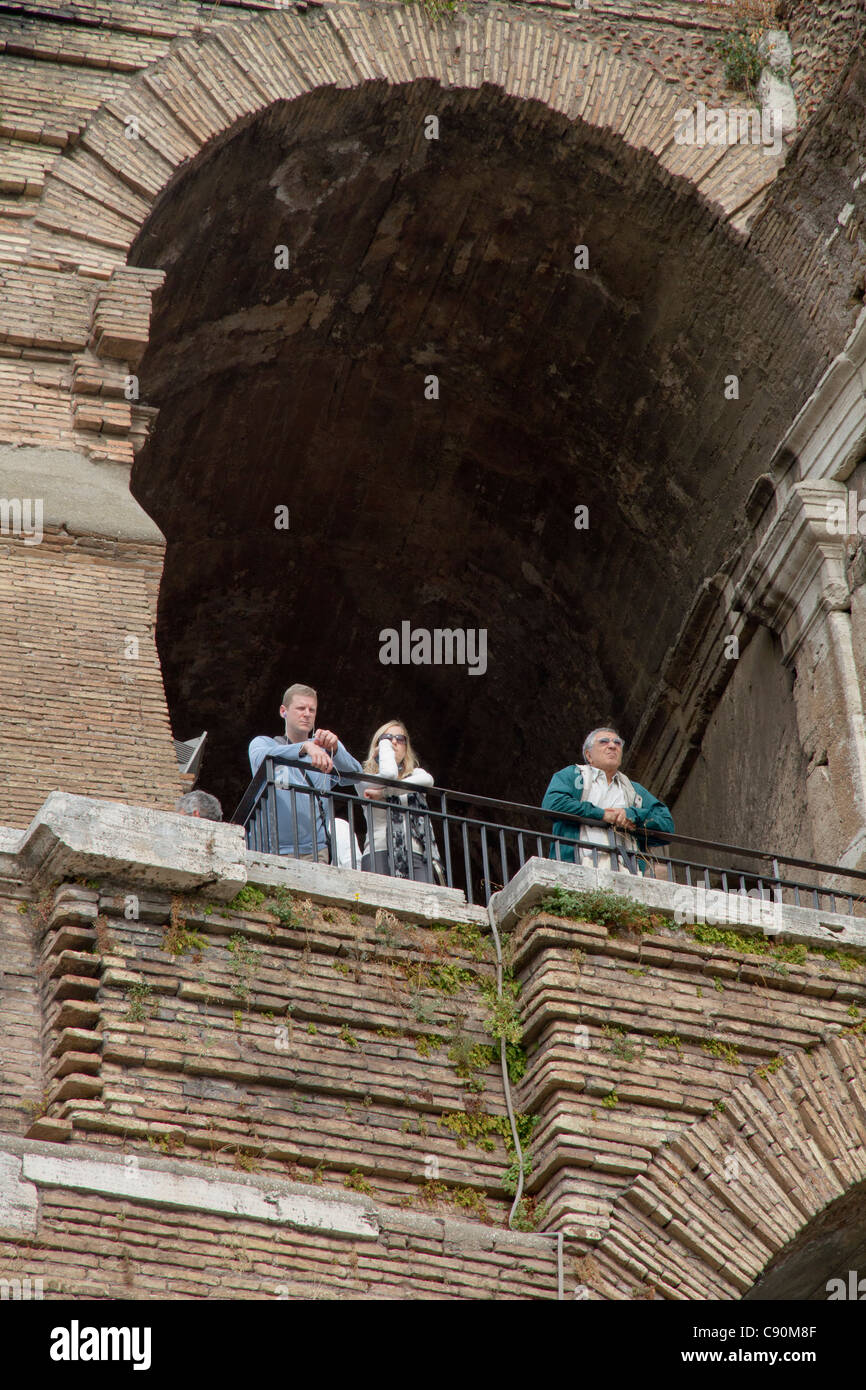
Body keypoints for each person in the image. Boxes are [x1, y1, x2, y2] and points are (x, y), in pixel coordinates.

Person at [248, 684, 363, 863]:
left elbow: (354, 776)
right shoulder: (264, 743)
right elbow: (260, 757)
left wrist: (335, 749)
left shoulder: (324, 749)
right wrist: (304, 747)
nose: (307, 713)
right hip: (271, 848)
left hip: (317, 850)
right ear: (283, 711)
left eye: (312, 709)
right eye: (301, 708)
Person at [542, 726, 674, 873]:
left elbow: (666, 824)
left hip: (628, 870)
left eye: (617, 743)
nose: (612, 746)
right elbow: (553, 803)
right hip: (580, 865)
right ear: (589, 755)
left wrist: (631, 815)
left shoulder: (633, 789)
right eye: (604, 742)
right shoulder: (573, 775)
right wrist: (602, 814)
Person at [359, 720, 444, 884]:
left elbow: (428, 780)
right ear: (377, 746)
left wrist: (385, 793)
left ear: (406, 748)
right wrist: (384, 751)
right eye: (387, 738)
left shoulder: (416, 775)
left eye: (400, 738)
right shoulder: (365, 779)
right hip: (380, 852)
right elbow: (389, 774)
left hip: (417, 854)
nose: (394, 742)